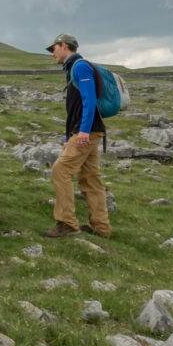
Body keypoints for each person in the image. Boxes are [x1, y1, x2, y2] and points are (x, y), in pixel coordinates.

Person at [42, 34, 111, 239]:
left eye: (54, 48)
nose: (52, 53)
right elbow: (76, 107)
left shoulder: (79, 67)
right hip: (86, 131)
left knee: (60, 170)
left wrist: (82, 131)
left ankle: (67, 223)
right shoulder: (74, 68)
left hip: (86, 132)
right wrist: (68, 138)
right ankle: (101, 227)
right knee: (91, 179)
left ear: (64, 46)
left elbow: (89, 99)